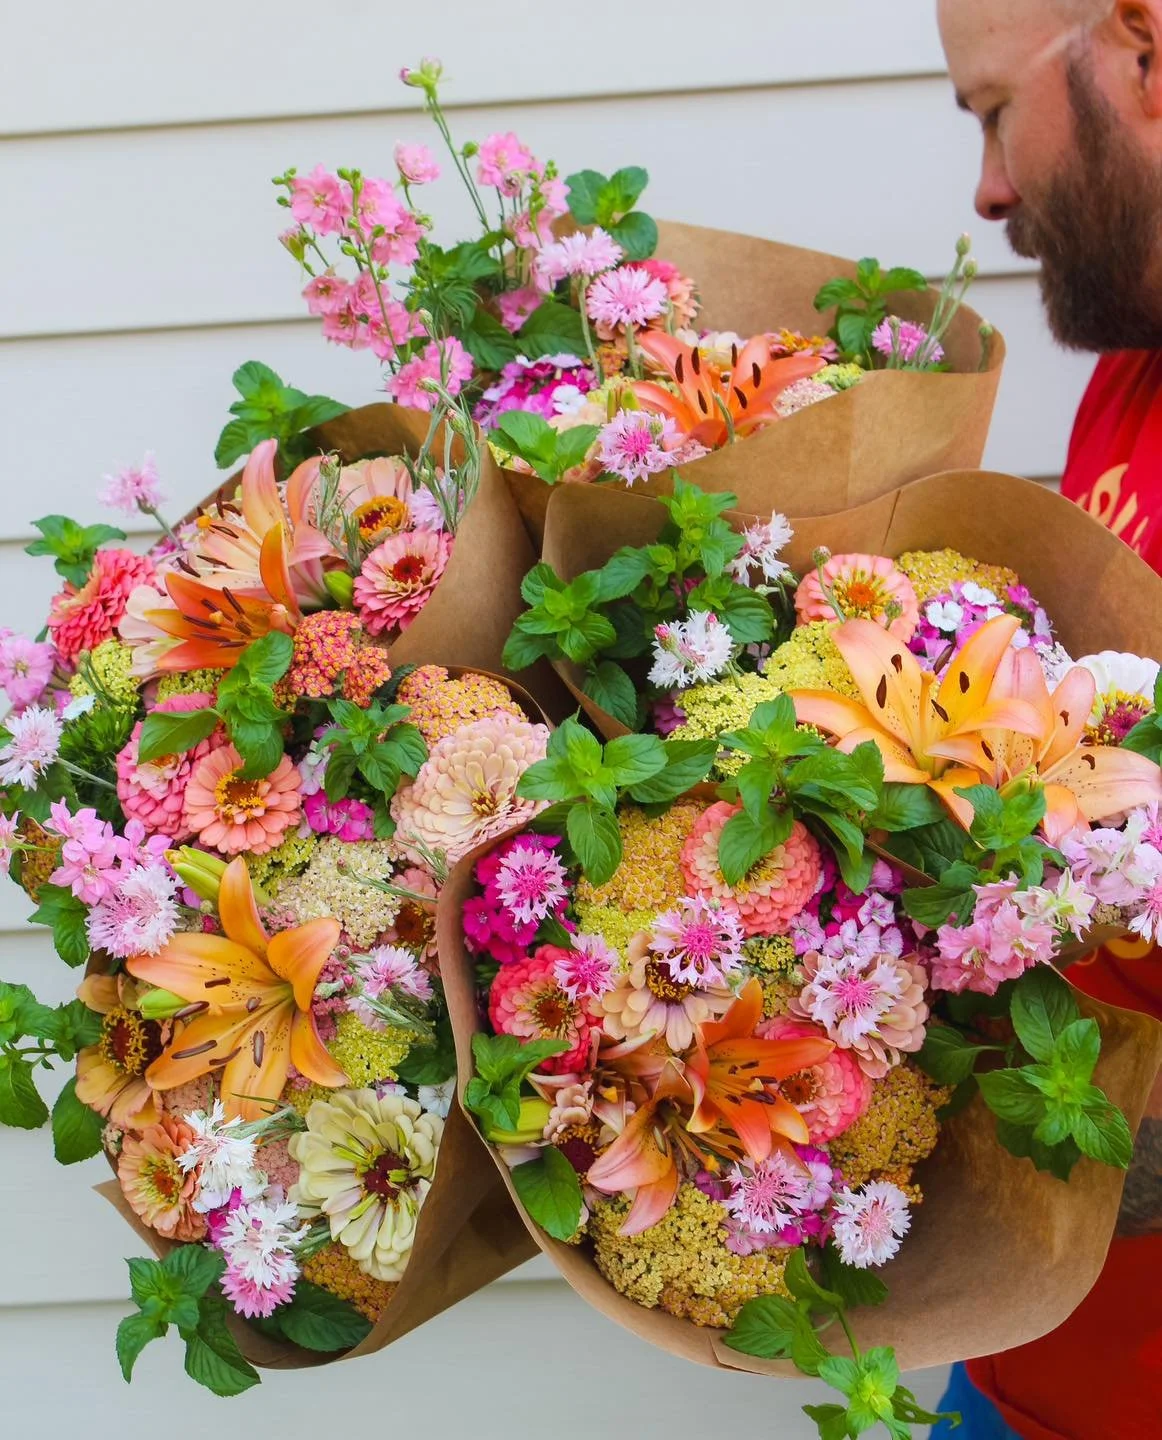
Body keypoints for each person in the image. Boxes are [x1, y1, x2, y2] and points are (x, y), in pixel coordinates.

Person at [931, 2, 1162, 1436]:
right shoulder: (1128, 369)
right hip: (1026, 1362)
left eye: (989, 108)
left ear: (1140, 44)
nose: (986, 188)